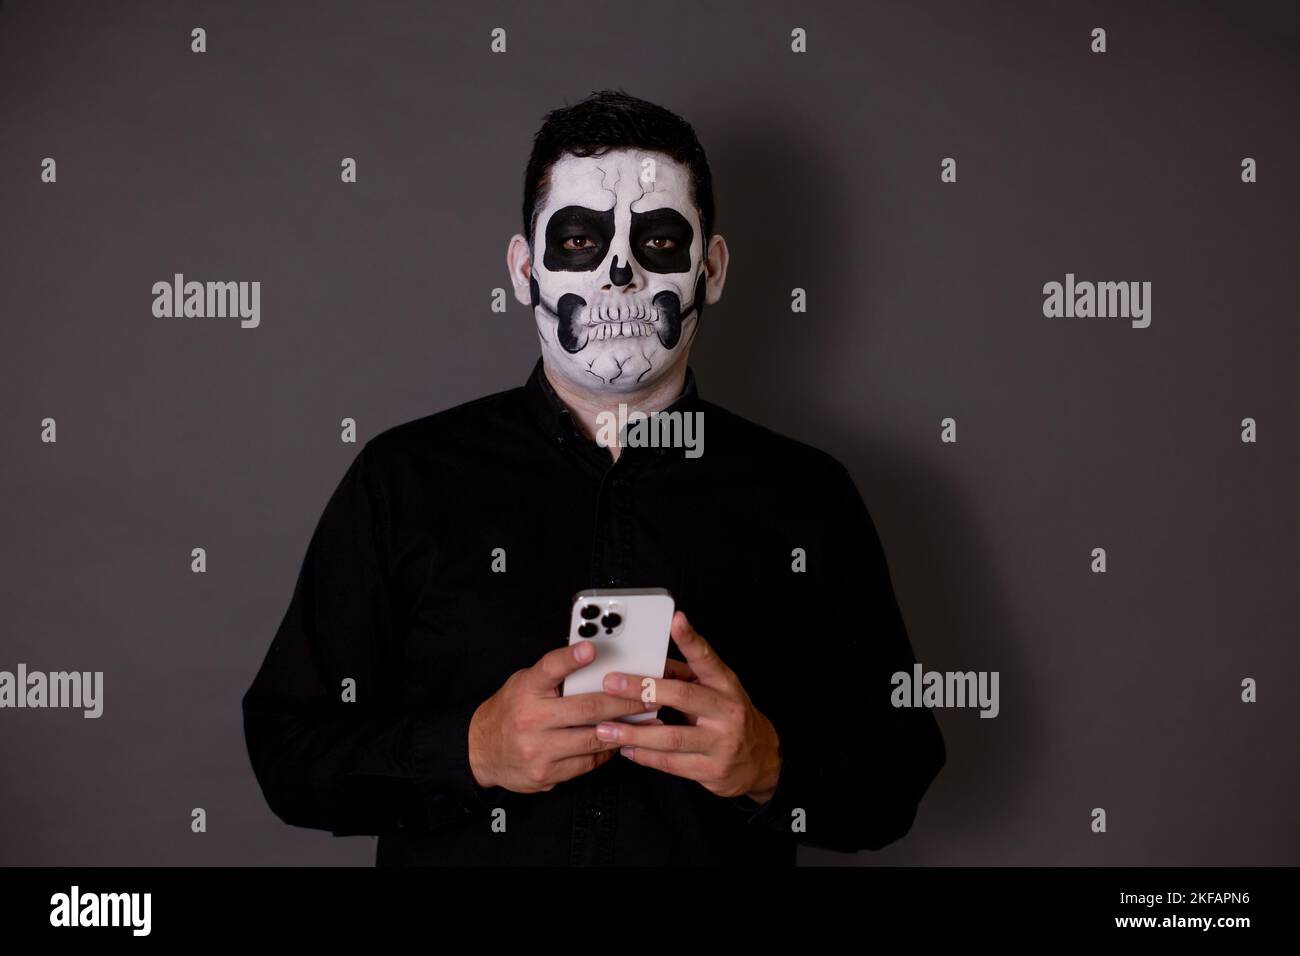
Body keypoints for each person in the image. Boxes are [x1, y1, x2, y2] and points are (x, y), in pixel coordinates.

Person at [242, 89, 945, 865]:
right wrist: (470, 750)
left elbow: (899, 775)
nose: (619, 276)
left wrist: (770, 766)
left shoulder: (807, 497)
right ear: (523, 269)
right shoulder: (401, 481)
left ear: (710, 269)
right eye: (578, 240)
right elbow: (286, 750)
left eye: (659, 241)